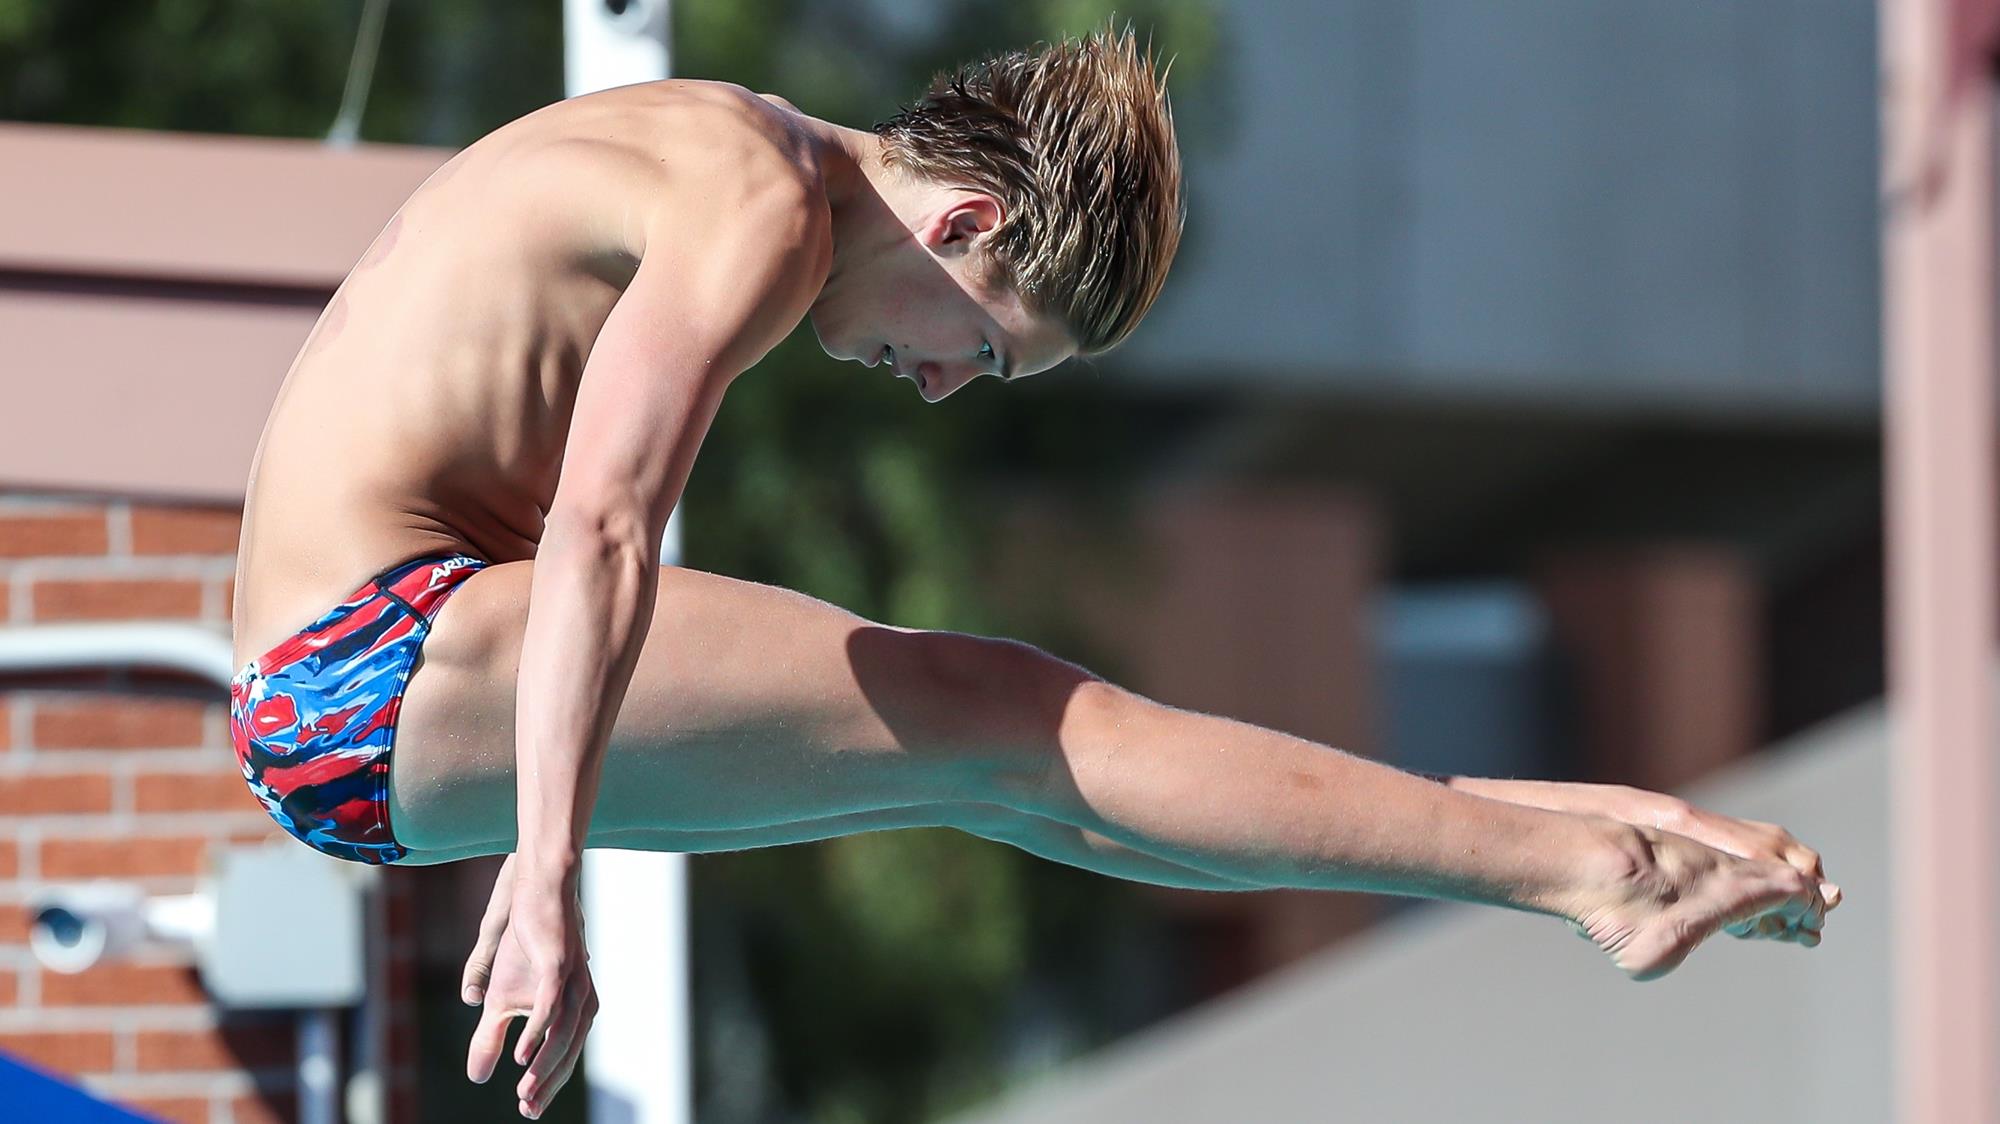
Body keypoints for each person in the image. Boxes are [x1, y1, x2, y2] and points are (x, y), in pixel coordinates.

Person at [227, 26, 1840, 1120]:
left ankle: (1567, 843)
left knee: (1020, 776)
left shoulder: (728, 160)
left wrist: (1564, 819)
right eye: (985, 355)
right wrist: (553, 867)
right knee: (1003, 712)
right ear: (967, 222)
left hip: (352, 699)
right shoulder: (756, 194)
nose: (937, 386)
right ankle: (1575, 872)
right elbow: (598, 527)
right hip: (371, 664)